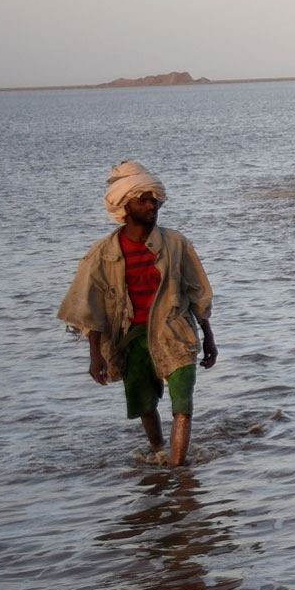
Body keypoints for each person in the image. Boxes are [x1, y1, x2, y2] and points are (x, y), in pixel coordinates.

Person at [59, 161, 216, 466]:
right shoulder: (104, 253)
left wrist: (209, 338)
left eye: (153, 199)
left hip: (176, 332)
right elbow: (93, 309)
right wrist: (96, 356)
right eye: (142, 200)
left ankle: (178, 469)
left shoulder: (175, 244)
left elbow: (198, 292)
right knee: (145, 404)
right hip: (133, 340)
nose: (151, 205)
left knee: (183, 403)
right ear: (124, 206)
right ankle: (159, 452)